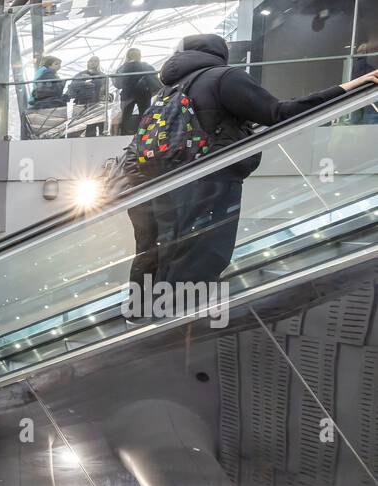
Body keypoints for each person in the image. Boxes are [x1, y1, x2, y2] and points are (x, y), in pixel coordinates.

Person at [136, 35, 378, 295]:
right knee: (201, 262)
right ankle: (182, 329)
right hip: (209, 182)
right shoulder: (224, 78)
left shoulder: (169, 88)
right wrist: (347, 88)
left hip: (167, 183)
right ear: (219, 52)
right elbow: (279, 113)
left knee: (172, 258)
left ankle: (159, 322)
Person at [115, 48, 161, 135]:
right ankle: (144, 132)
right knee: (144, 114)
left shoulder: (123, 67)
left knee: (127, 114)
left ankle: (125, 132)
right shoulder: (145, 66)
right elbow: (154, 78)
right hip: (143, 92)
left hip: (128, 94)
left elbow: (118, 83)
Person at [68, 56, 109, 135]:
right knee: (82, 125)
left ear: (98, 63)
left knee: (97, 125)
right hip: (82, 104)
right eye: (91, 61)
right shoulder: (80, 74)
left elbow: (105, 90)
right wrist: (83, 84)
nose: (93, 63)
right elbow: (72, 86)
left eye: (96, 61)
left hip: (97, 104)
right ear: (88, 62)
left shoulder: (103, 75)